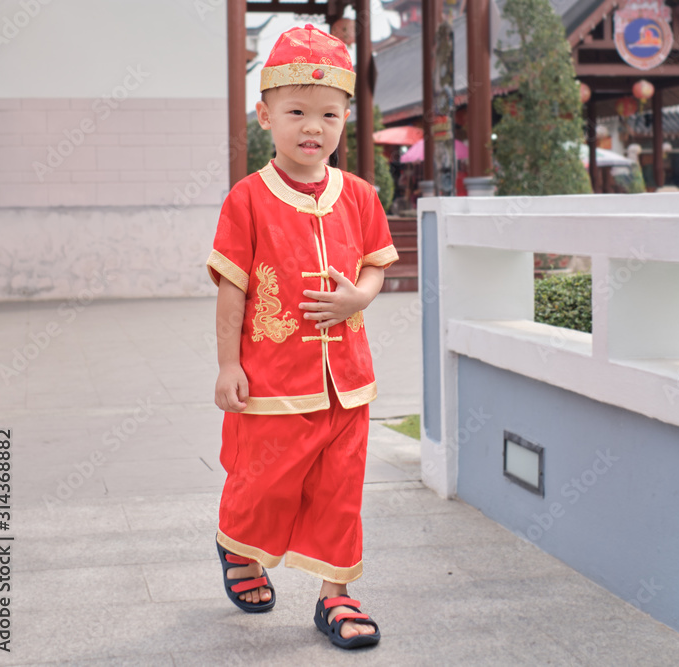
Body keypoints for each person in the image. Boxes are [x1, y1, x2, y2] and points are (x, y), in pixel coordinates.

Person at [205, 25, 397, 650]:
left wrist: (358, 298)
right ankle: (239, 545)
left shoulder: (361, 197)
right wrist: (228, 365)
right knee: (261, 483)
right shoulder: (248, 200)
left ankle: (335, 596)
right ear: (265, 116)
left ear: (345, 122)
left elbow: (373, 264)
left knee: (340, 489)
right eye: (296, 112)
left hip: (347, 380)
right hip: (272, 381)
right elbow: (232, 288)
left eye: (328, 115)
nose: (312, 128)